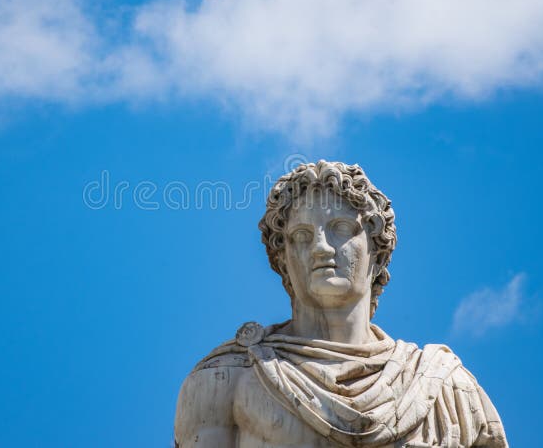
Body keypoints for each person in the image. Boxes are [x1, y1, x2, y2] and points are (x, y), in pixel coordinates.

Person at [175, 160, 508, 447]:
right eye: (302, 235)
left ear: (377, 253)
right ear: (282, 259)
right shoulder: (228, 379)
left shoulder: (448, 390)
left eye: (341, 229)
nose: (321, 247)